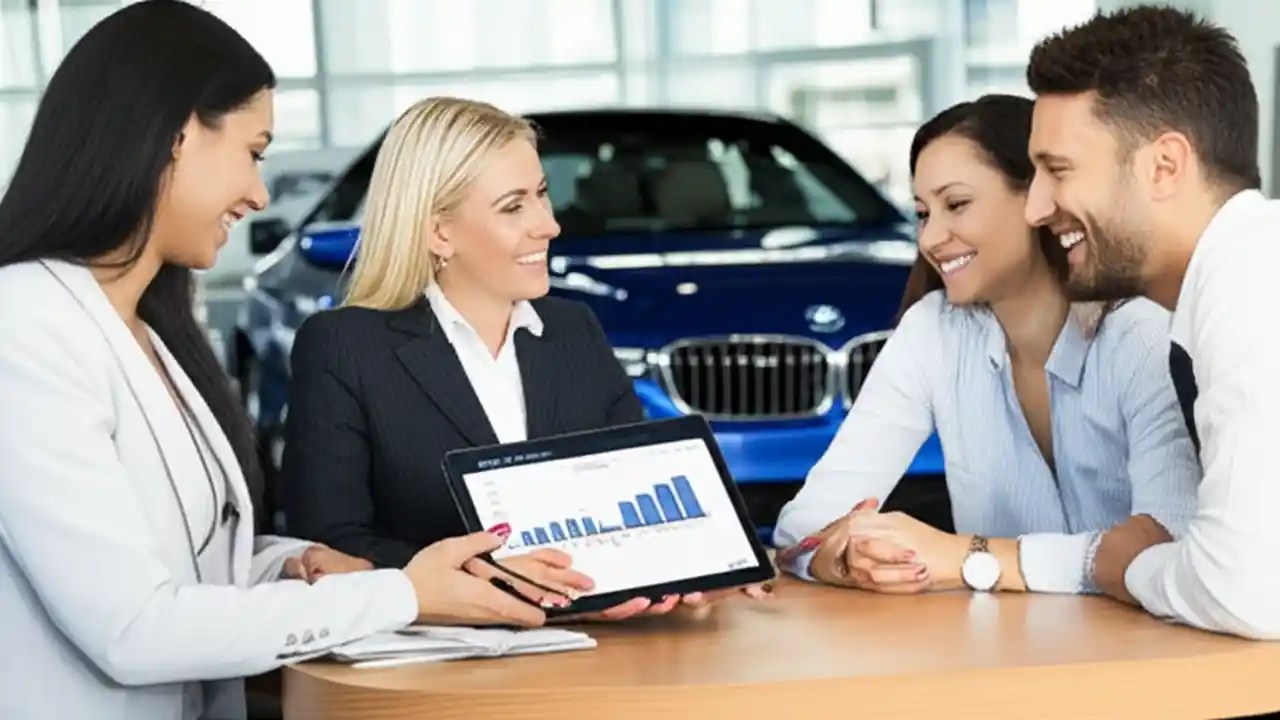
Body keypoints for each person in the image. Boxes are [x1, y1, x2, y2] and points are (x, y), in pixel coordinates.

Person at [0, 4, 591, 719]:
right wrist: (403, 591)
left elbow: (188, 567)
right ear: (178, 136)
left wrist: (286, 564)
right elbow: (132, 627)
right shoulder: (24, 324)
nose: (257, 193)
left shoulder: (148, 331)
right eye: (254, 151)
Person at [281, 96, 764, 620]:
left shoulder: (572, 329)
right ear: (439, 231)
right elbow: (332, 544)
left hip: (600, 651)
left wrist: (690, 568)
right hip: (441, 668)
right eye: (514, 207)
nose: (549, 225)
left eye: (541, 196)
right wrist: (500, 579)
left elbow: (634, 499)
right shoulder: (345, 346)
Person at [772, 94, 1200, 596]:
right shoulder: (933, 330)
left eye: (956, 205)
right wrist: (843, 556)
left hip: (1153, 660)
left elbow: (1170, 542)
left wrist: (967, 556)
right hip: (996, 657)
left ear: (1037, 199)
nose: (932, 238)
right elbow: (800, 527)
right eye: (922, 214)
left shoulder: (1141, 335)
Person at [1024, 5, 1280, 639]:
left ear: (1164, 166)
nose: (1033, 207)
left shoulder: (1248, 289)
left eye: (1057, 170)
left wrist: (1129, 568)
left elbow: (1245, 589)